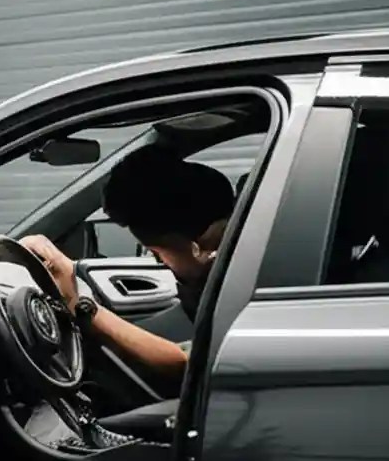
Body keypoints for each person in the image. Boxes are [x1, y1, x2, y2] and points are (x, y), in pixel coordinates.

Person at [20, 146, 235, 382]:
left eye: (157, 253)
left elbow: (187, 365)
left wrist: (78, 303)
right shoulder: (236, 270)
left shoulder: (246, 283)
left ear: (200, 248)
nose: (160, 263)